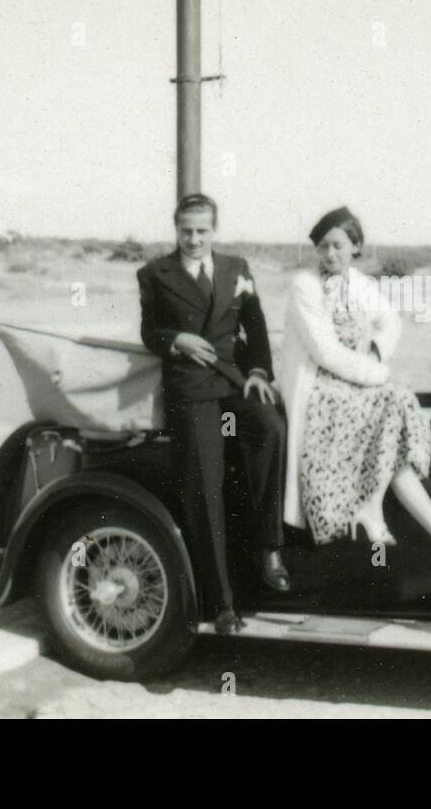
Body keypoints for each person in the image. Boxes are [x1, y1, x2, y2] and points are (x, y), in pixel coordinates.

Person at [278, 206, 431, 575]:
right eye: (324, 247)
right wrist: (377, 374)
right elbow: (325, 353)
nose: (330, 255)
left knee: (397, 411)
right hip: (320, 393)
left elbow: (390, 321)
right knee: (393, 399)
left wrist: (376, 350)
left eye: (338, 246)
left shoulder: (360, 284)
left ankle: (398, 520)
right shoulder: (305, 286)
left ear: (355, 246)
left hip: (357, 386)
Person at [137, 193, 290, 635]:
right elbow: (150, 332)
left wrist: (259, 370)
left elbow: (255, 325)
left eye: (202, 230)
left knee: (270, 428)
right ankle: (222, 604)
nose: (193, 239)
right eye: (186, 230)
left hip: (233, 378)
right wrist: (176, 340)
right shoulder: (153, 273)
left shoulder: (236, 268)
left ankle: (270, 550)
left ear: (214, 230)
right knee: (205, 484)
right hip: (190, 386)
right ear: (175, 228)